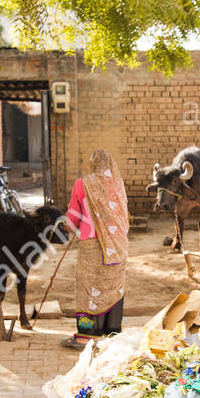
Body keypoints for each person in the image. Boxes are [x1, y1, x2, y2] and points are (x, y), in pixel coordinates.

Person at [62, 149, 129, 350]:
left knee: (88, 288)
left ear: (92, 164)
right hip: (117, 246)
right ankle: (112, 331)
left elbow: (73, 217)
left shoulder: (82, 185)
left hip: (91, 245)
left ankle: (86, 335)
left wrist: (69, 227)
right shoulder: (117, 185)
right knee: (114, 286)